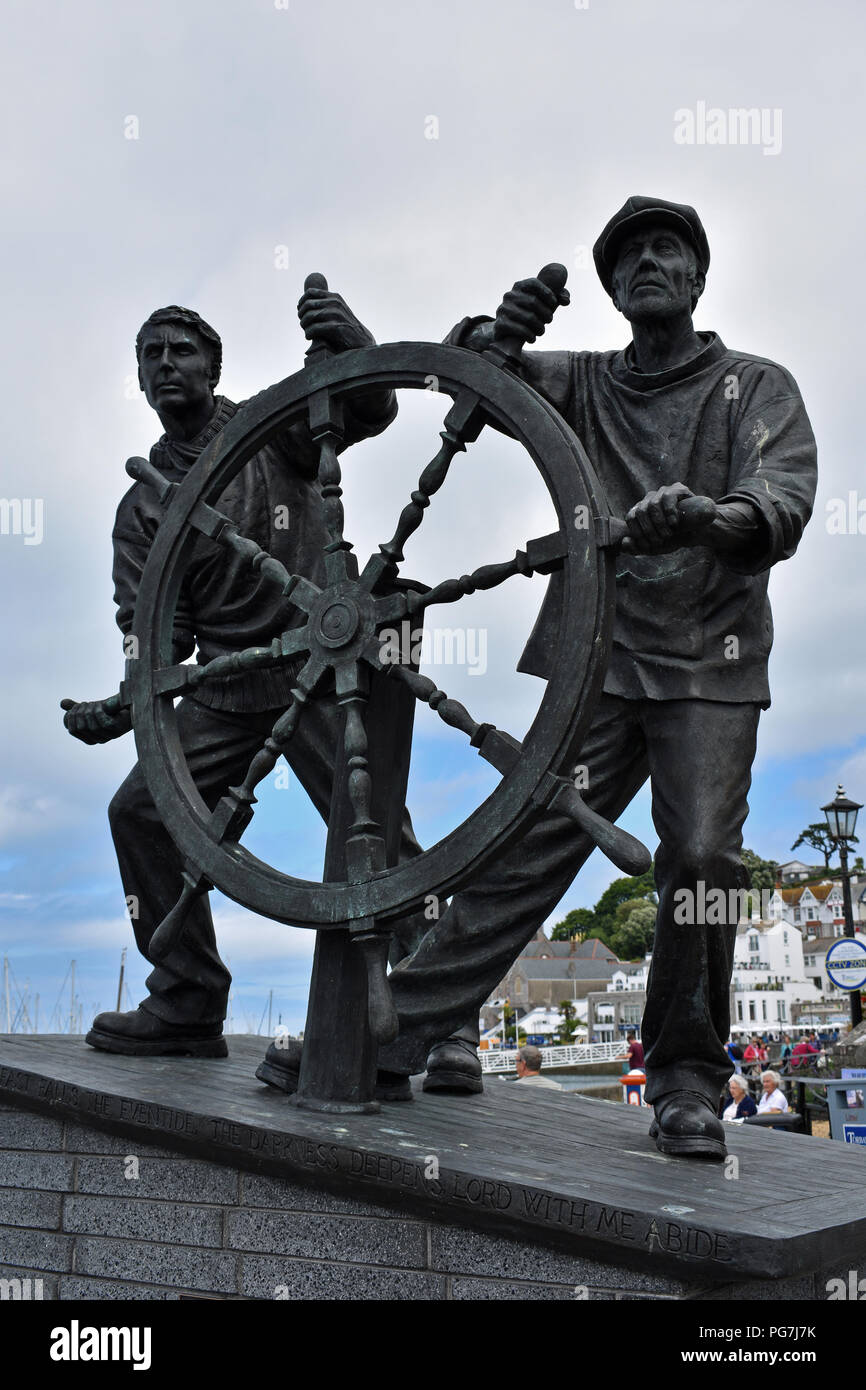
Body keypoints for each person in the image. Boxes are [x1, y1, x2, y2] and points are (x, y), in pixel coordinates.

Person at [363, 195, 816, 1163]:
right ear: (608, 288)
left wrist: (704, 516)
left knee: (698, 859)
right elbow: (478, 381)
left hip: (708, 659)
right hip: (598, 653)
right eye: (628, 258)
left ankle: (688, 1079)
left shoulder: (753, 387)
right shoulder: (583, 381)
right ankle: (396, 1029)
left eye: (666, 250)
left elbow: (778, 504)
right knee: (523, 837)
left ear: (696, 276)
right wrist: (486, 333)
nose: (648, 265)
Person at [62, 290, 434, 1069]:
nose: (166, 365)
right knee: (138, 811)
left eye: (180, 350)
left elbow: (366, 407)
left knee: (378, 839)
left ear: (213, 366)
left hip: (320, 666)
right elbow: (158, 640)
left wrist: (353, 339)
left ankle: (444, 1015)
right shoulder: (140, 511)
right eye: (151, 355)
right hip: (227, 693)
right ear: (138, 379)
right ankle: (188, 1000)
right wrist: (122, 706)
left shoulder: (268, 433)